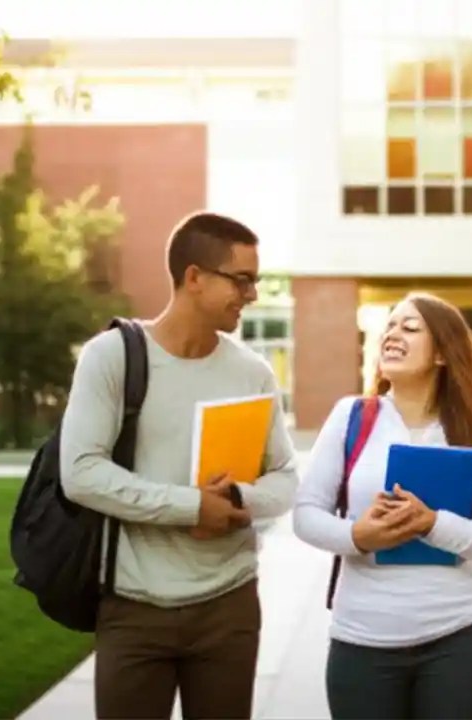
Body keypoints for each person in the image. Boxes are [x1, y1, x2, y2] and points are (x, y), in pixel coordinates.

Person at [59, 211, 299, 720]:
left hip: (229, 607)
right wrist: (192, 507)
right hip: (134, 607)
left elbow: (284, 478)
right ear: (194, 278)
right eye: (243, 280)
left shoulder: (252, 372)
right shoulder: (111, 357)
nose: (252, 294)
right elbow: (80, 472)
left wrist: (237, 500)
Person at [292, 292, 472, 720]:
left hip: (457, 642)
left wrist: (432, 524)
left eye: (409, 327)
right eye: (389, 326)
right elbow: (306, 514)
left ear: (442, 352)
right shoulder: (352, 416)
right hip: (361, 644)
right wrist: (356, 536)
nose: (392, 334)